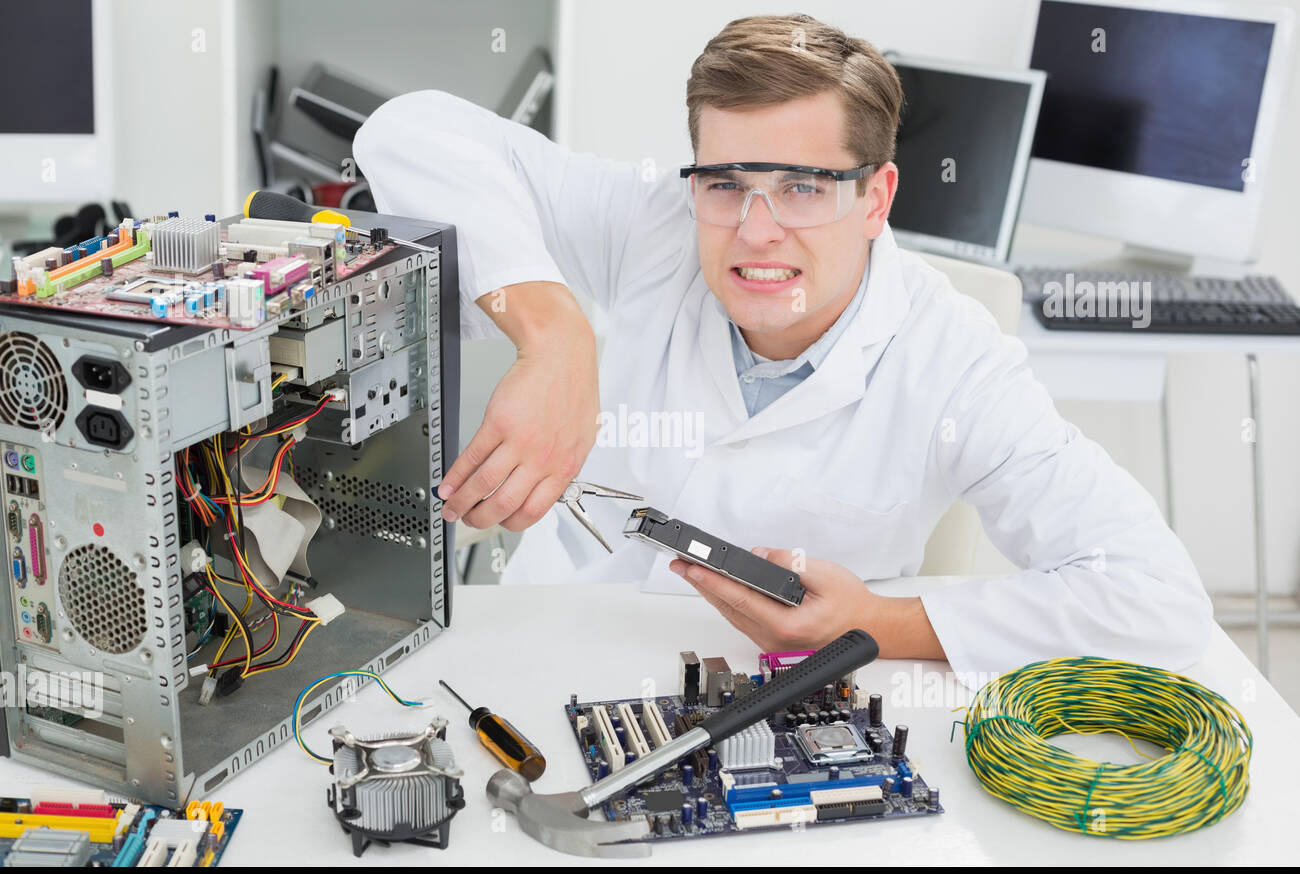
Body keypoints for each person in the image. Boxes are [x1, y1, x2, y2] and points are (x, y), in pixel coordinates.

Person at [352, 13, 1216, 681]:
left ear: (876, 199)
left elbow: (1155, 597)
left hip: (783, 701)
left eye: (802, 187)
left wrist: (882, 623)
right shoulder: (654, 224)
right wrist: (554, 336)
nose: (754, 231)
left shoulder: (957, 363)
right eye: (726, 183)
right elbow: (406, 128)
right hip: (546, 647)